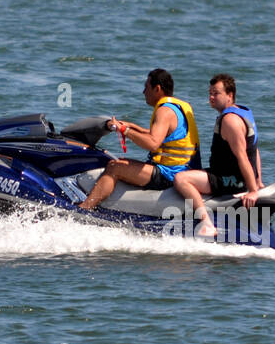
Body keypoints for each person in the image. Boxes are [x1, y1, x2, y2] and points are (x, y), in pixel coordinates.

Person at [78, 69, 201, 211]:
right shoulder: (180, 107)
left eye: (146, 87)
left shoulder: (164, 111)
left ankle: (85, 208)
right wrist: (132, 126)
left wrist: (125, 131)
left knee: (114, 166)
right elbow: (162, 136)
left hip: (170, 174)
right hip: (184, 170)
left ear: (157, 89)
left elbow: (153, 143)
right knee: (123, 161)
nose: (143, 92)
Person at [172, 73, 263, 237]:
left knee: (181, 179)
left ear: (230, 95)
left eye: (216, 93)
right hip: (233, 176)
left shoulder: (230, 121)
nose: (211, 97)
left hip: (230, 180)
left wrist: (253, 190)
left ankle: (206, 222)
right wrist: (258, 180)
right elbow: (254, 149)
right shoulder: (243, 112)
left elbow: (242, 156)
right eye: (210, 93)